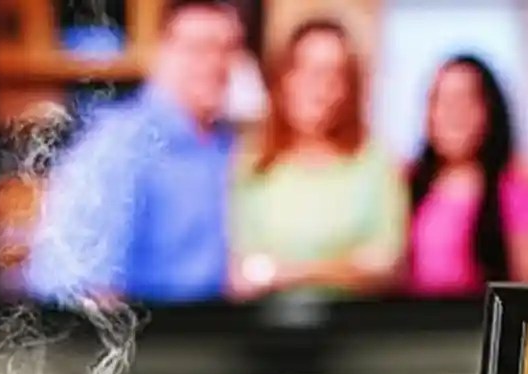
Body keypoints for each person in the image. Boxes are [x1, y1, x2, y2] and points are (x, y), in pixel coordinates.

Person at [24, 0, 246, 306]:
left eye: (228, 48)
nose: (215, 62)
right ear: (161, 53)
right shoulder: (118, 145)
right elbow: (83, 285)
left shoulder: (227, 145)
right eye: (199, 48)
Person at [230, 18, 407, 301]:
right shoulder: (253, 161)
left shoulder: (374, 161)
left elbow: (384, 266)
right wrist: (345, 267)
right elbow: (245, 274)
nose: (320, 87)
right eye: (308, 70)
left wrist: (292, 273)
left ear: (351, 88)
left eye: (334, 74)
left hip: (358, 330)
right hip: (269, 332)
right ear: (284, 78)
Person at [405, 55, 528, 297]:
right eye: (441, 102)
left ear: (489, 111)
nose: (453, 115)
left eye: (464, 102)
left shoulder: (516, 192)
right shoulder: (410, 184)